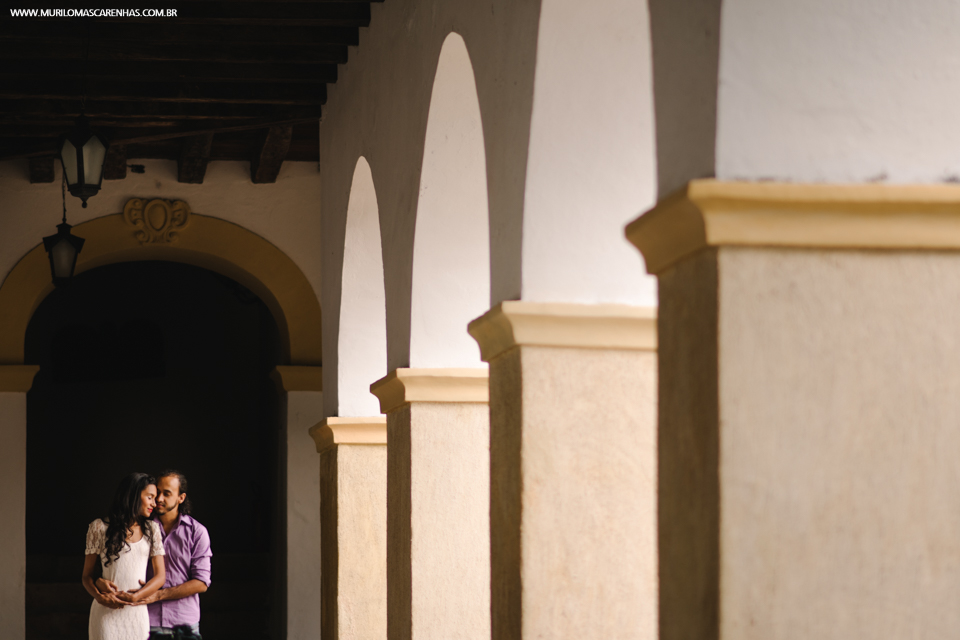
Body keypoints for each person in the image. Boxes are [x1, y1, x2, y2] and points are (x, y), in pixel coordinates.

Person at [97, 470, 211, 639]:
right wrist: (99, 580)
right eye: (158, 492)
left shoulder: (197, 532)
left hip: (184, 622)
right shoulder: (140, 528)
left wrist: (158, 594)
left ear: (181, 498)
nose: (159, 499)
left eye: (167, 493)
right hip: (147, 620)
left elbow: (201, 582)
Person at [82, 473, 167, 640]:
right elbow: (86, 576)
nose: (154, 503)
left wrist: (136, 596)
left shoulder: (152, 529)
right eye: (150, 497)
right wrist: (99, 597)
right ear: (133, 495)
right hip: (106, 614)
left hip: (137, 614)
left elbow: (160, 576)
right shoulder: (99, 527)